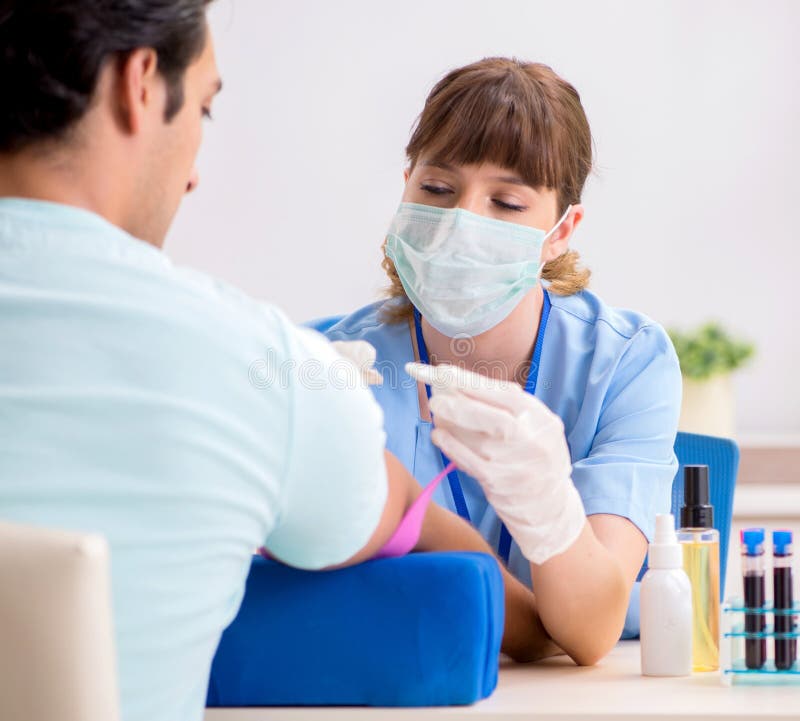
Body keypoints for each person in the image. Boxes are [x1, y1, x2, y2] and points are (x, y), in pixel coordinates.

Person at [0, 6, 543, 721]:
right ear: (139, 83)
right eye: (203, 108)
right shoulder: (255, 362)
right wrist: (540, 621)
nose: (192, 175)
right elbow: (428, 534)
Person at [325, 57, 683, 665]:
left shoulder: (626, 362)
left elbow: (587, 634)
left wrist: (547, 504)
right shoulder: (337, 363)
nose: (462, 221)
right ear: (406, 188)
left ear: (561, 230)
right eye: (436, 190)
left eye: (508, 203)